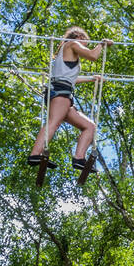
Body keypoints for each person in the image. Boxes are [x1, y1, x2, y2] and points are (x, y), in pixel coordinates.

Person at [28, 27, 112, 172]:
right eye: (85, 41)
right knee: (53, 123)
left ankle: (79, 158)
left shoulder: (66, 52)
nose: (85, 45)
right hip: (60, 92)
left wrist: (92, 78)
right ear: (80, 36)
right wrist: (101, 44)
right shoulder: (73, 43)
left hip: (63, 92)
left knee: (90, 127)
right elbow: (93, 56)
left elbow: (71, 79)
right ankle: (35, 154)